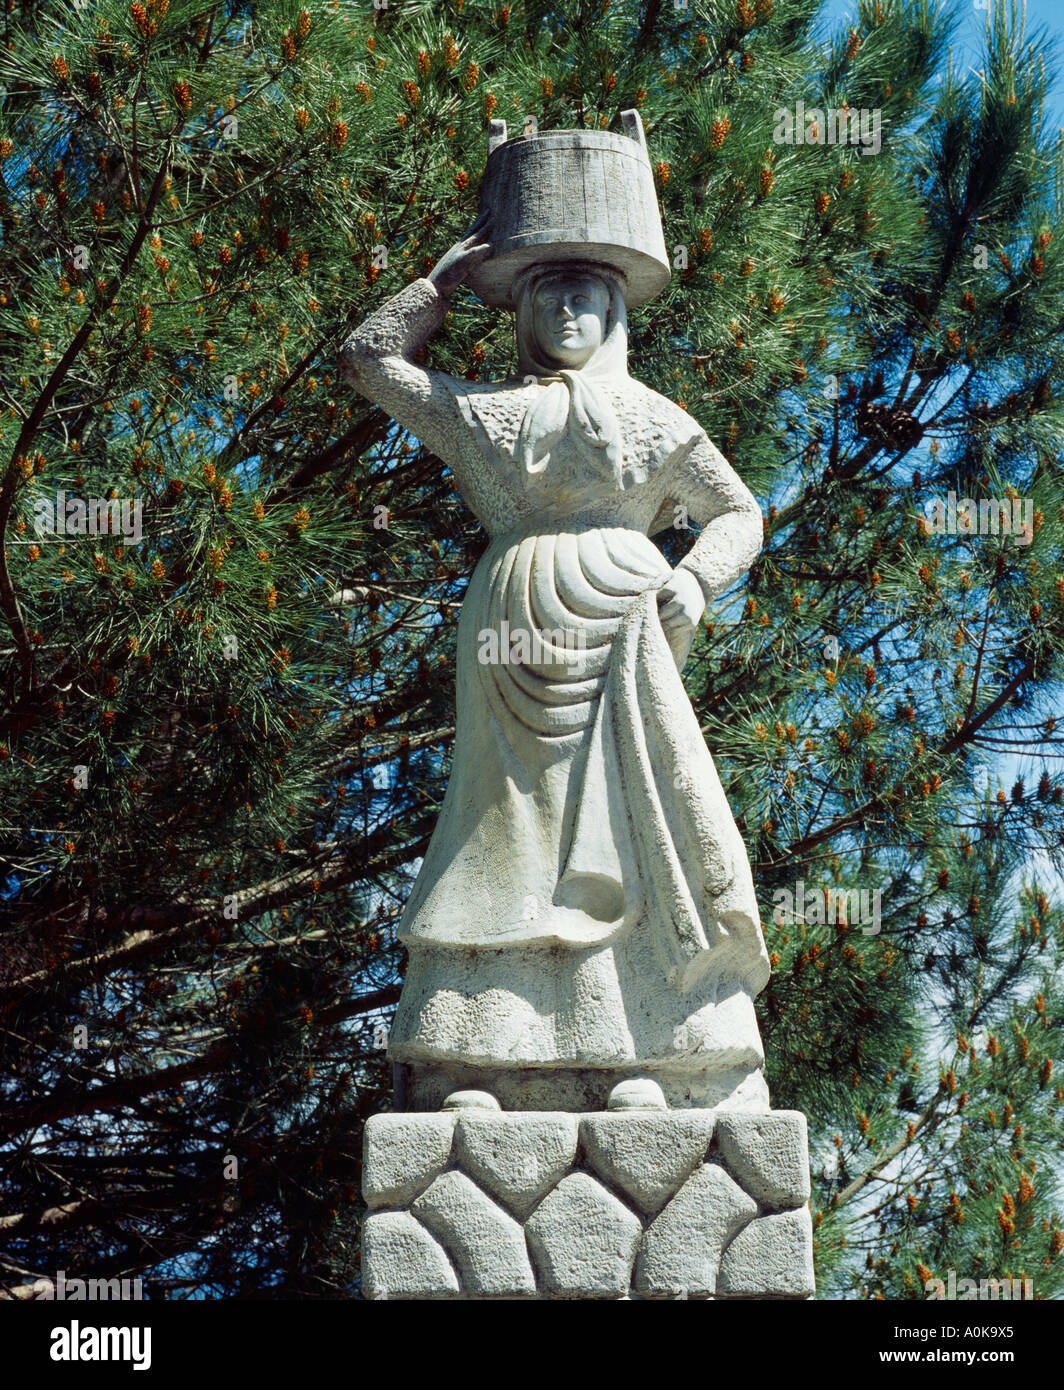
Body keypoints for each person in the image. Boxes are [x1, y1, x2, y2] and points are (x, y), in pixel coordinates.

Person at [339, 210, 772, 1111]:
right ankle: (478, 1063)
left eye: (587, 296)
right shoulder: (491, 413)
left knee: (638, 830)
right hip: (511, 633)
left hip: (625, 627)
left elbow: (739, 512)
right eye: (549, 295)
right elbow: (370, 361)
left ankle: (648, 1061)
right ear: (523, 314)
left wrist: (695, 584)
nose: (569, 312)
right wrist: (438, 286)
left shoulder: (653, 416)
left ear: (616, 310)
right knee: (503, 836)